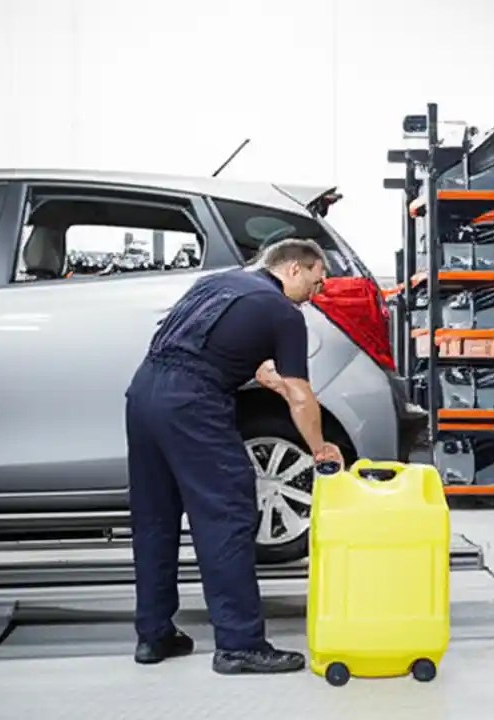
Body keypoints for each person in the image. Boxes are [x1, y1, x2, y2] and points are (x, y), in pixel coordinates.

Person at [124, 238, 344, 674]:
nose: (316, 294)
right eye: (317, 282)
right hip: (192, 403)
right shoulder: (283, 312)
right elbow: (300, 394)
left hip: (143, 393)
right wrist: (319, 448)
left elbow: (256, 367)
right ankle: (240, 644)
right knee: (227, 514)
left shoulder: (219, 284)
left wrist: (277, 384)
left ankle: (154, 635)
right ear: (295, 269)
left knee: (154, 517)